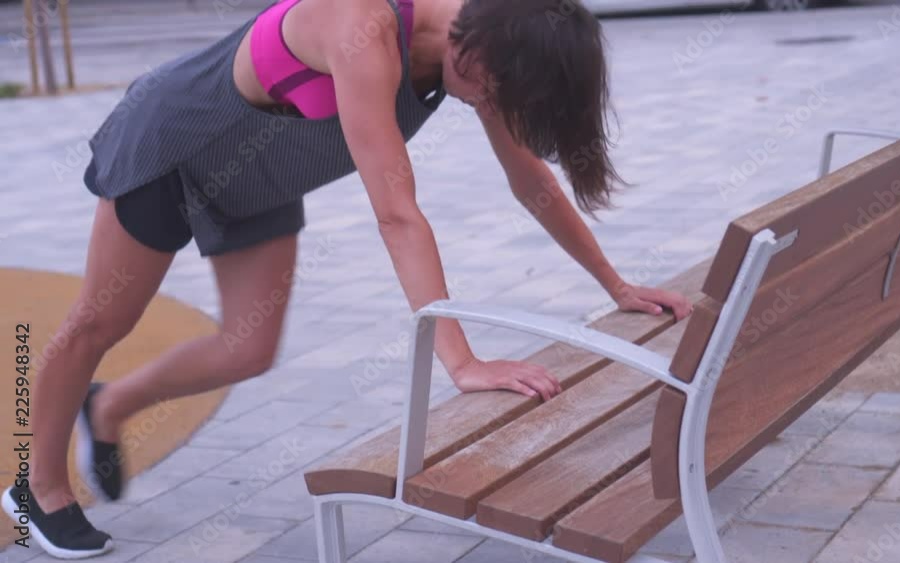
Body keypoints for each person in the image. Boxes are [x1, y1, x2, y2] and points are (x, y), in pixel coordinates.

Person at [2, 0, 694, 557]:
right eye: (495, 89)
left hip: (260, 180)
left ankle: (108, 407)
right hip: (175, 142)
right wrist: (461, 359)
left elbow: (531, 182)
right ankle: (38, 486)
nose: (490, 103)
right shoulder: (364, 28)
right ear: (478, 51)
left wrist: (616, 284)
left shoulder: (482, 48)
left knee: (249, 348)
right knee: (99, 320)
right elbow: (398, 213)